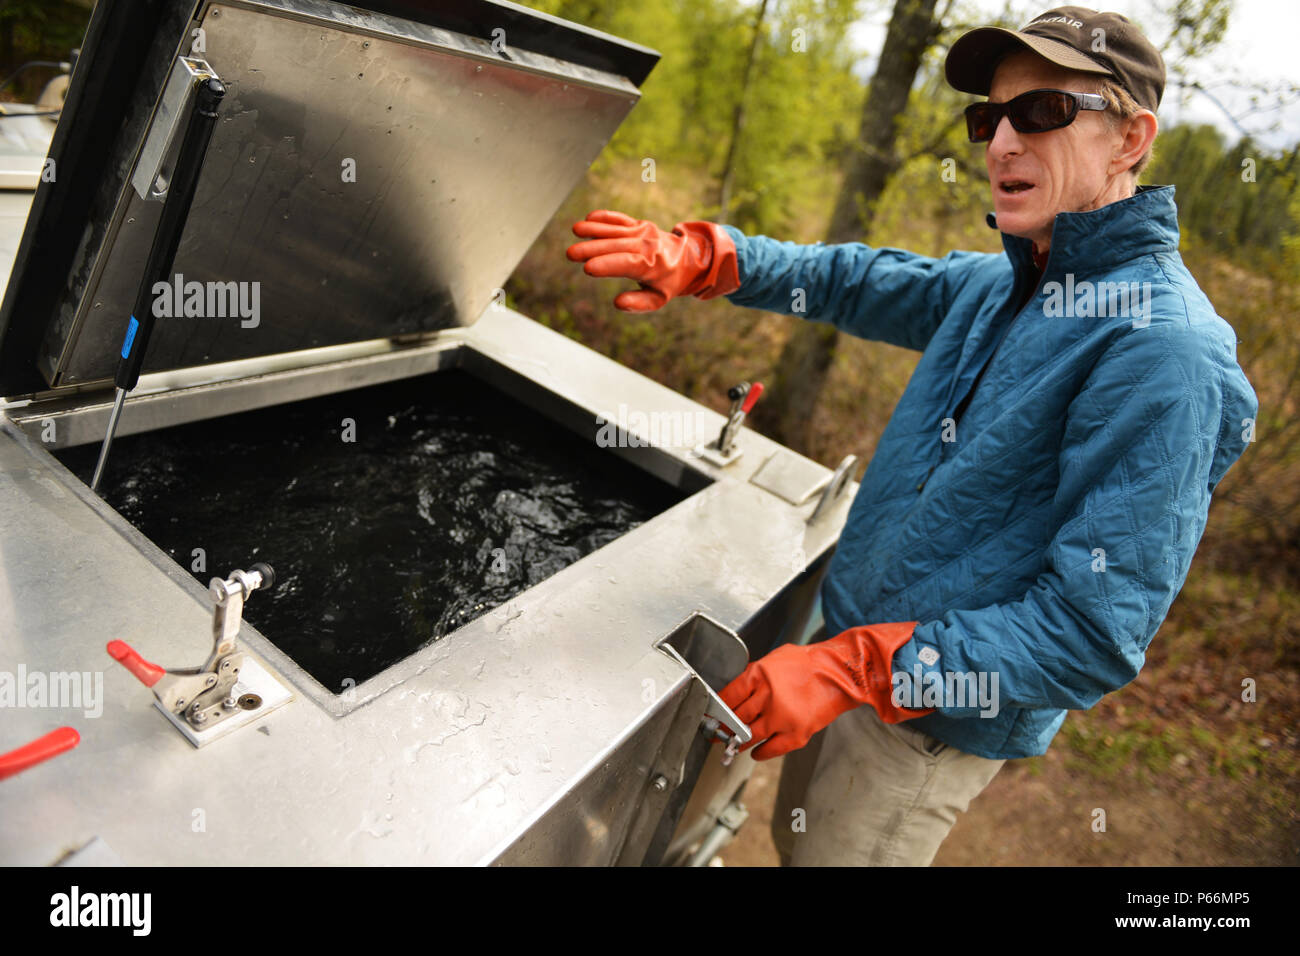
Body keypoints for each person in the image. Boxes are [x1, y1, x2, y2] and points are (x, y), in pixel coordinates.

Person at [565, 6, 1257, 866]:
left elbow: (1090, 636)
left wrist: (855, 670)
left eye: (1040, 112)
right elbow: (852, 280)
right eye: (987, 116)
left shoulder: (1166, 351)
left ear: (1130, 139)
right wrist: (716, 260)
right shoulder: (1008, 278)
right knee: (793, 838)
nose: (1001, 141)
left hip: (927, 725)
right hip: (848, 647)